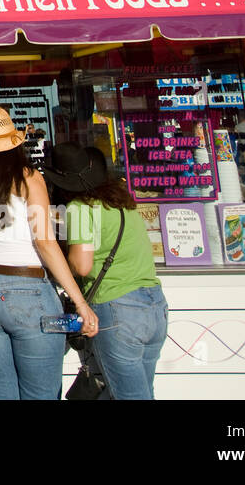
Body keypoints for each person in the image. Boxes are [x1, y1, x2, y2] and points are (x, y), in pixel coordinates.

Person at [0, 106, 97, 400]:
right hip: (26, 288)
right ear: (14, 143)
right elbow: (45, 243)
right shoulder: (28, 177)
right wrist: (79, 301)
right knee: (40, 393)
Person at [47, 143, 168, 399]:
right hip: (154, 304)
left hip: (117, 307)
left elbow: (82, 265)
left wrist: (59, 257)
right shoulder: (122, 202)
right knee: (143, 391)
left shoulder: (80, 207)